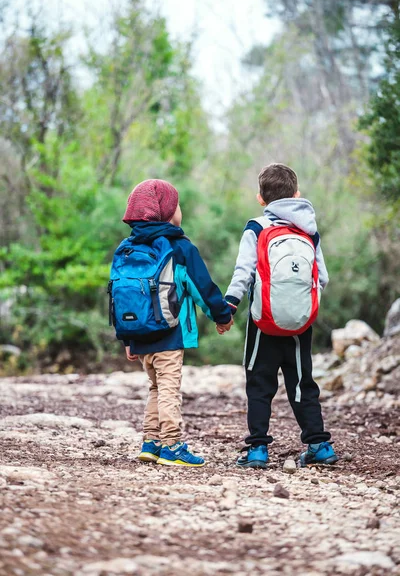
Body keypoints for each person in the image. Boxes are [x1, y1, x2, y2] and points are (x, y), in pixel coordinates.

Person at [224, 163, 338, 468]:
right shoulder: (309, 231)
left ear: (261, 199)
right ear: (297, 194)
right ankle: (319, 445)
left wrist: (229, 305)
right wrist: (298, 304)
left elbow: (244, 271)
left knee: (259, 383)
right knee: (303, 383)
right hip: (301, 323)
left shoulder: (257, 227)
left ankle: (258, 450)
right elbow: (322, 278)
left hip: (263, 321)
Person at [120, 179, 233, 467]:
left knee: (155, 388)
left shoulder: (128, 247)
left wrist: (129, 339)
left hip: (141, 336)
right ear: (166, 211)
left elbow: (125, 297)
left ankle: (150, 442)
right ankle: (171, 444)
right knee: (169, 387)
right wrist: (221, 315)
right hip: (170, 334)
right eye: (177, 204)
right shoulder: (180, 247)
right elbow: (201, 287)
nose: (179, 209)